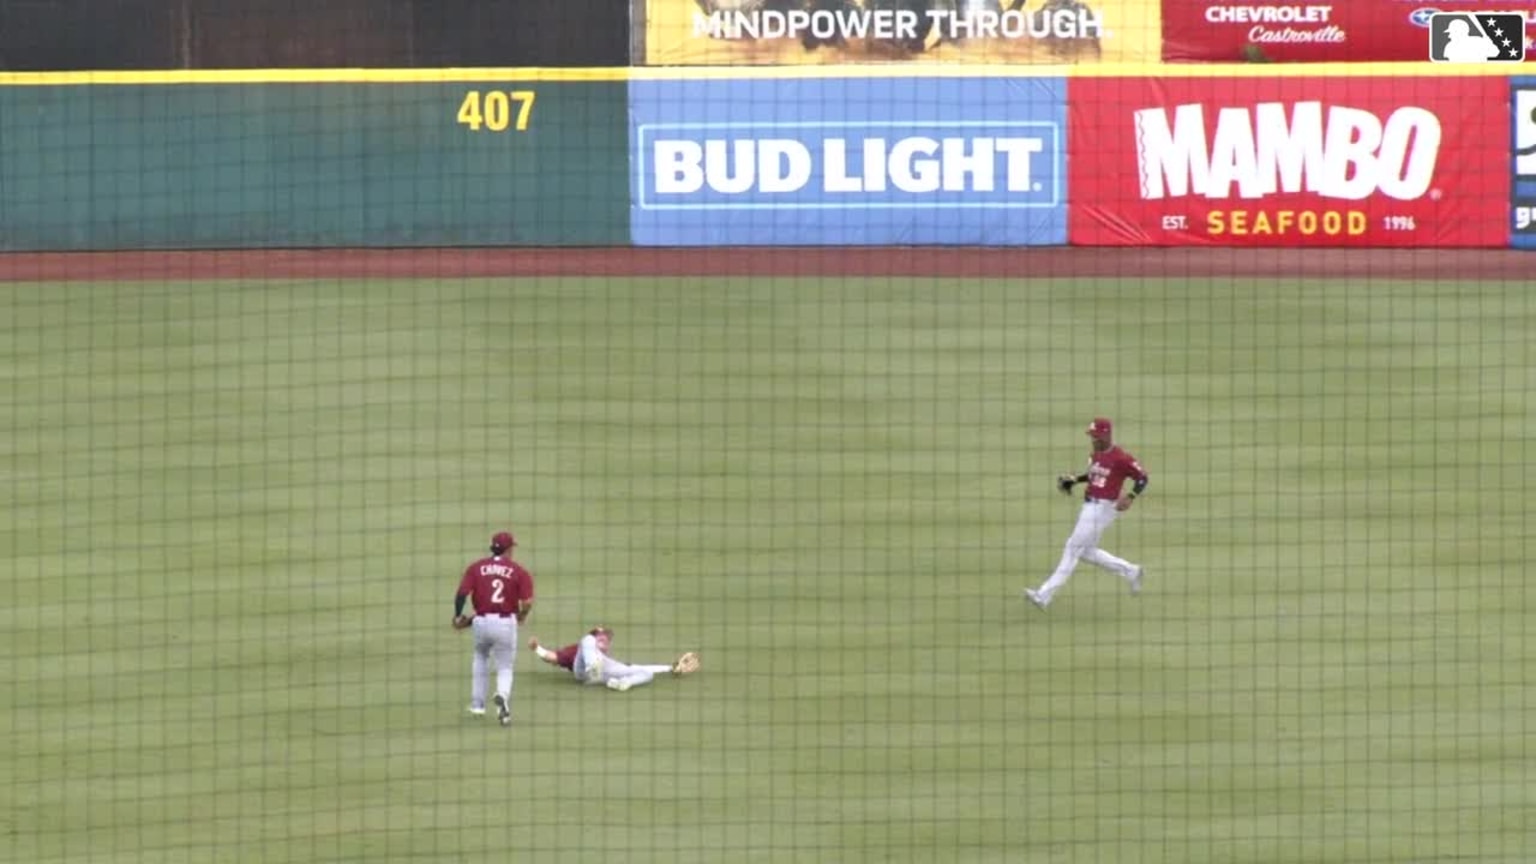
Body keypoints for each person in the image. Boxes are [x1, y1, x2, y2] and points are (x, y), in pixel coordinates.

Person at [1024, 418, 1147, 610]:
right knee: (1086, 551)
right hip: (1089, 506)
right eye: (1092, 436)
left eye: (1096, 436)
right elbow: (1093, 475)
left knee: (1072, 547)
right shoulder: (1096, 454)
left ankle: (1043, 595)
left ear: (1107, 435)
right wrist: (1074, 480)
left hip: (1103, 508)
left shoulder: (1121, 458)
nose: (1093, 439)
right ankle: (1131, 571)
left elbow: (1142, 478)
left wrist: (1130, 496)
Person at [453, 531, 534, 725]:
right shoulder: (518, 571)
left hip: (480, 622)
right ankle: (502, 696)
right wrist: (522, 616)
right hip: (505, 623)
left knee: (480, 657)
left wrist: (458, 615)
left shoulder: (476, 567)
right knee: (505, 666)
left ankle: (477, 705)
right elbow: (527, 602)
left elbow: (462, 594)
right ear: (509, 549)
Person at [528, 626, 699, 692]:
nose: (605, 642)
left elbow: (638, 666)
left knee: (647, 674)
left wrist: (670, 668)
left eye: (607, 641)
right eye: (601, 638)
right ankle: (592, 668)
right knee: (587, 640)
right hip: (583, 673)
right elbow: (552, 658)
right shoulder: (579, 647)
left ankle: (624, 683)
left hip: (603, 674)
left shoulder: (607, 658)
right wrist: (537, 649)